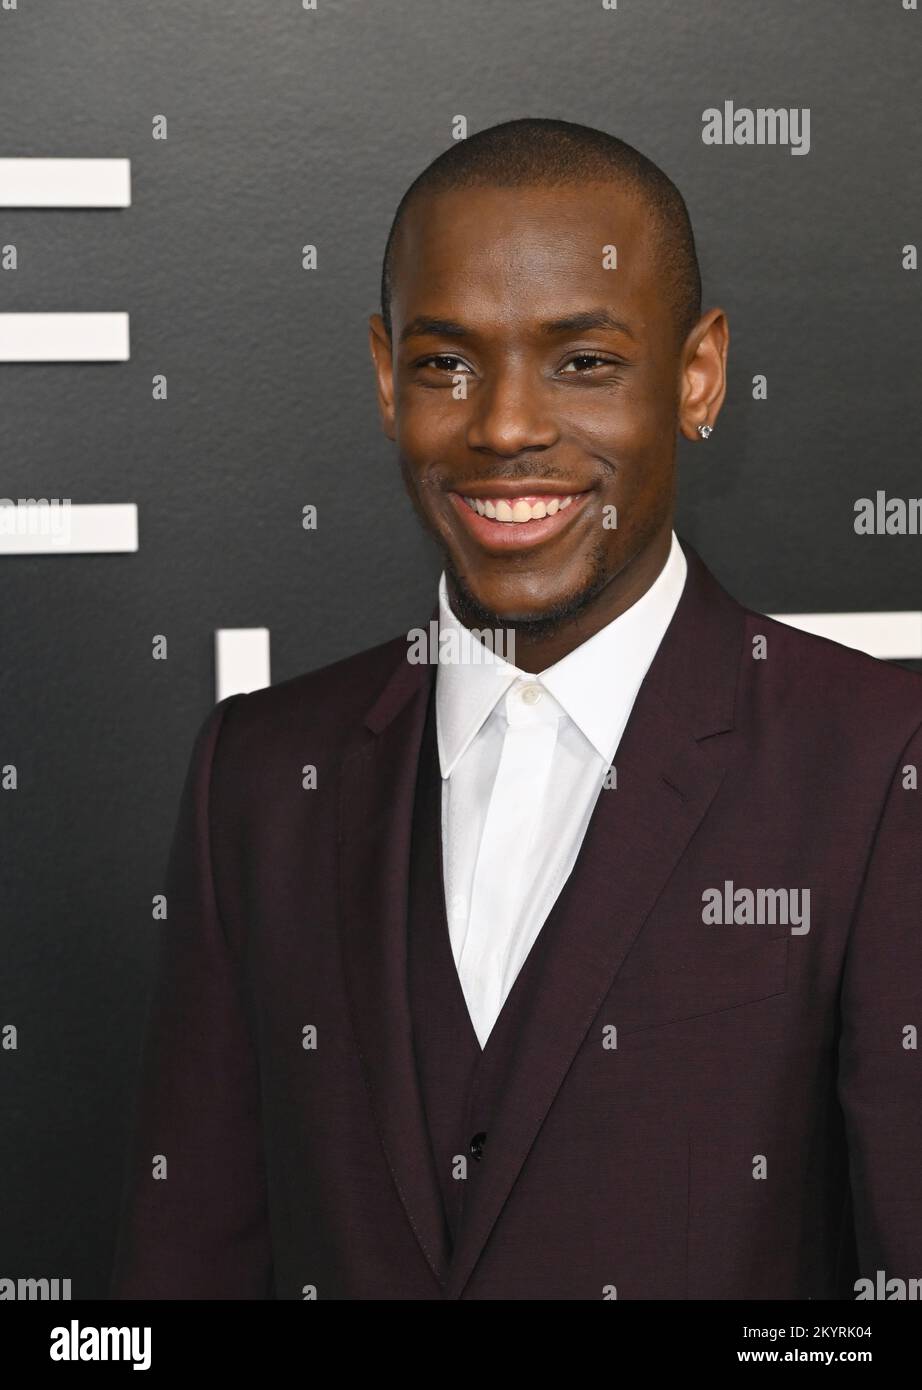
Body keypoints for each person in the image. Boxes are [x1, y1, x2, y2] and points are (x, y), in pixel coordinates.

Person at [110, 117, 922, 1300]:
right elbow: (185, 1266)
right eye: (447, 363)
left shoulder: (875, 764)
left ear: (697, 376)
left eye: (582, 362)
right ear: (387, 377)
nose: (502, 428)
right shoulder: (263, 772)